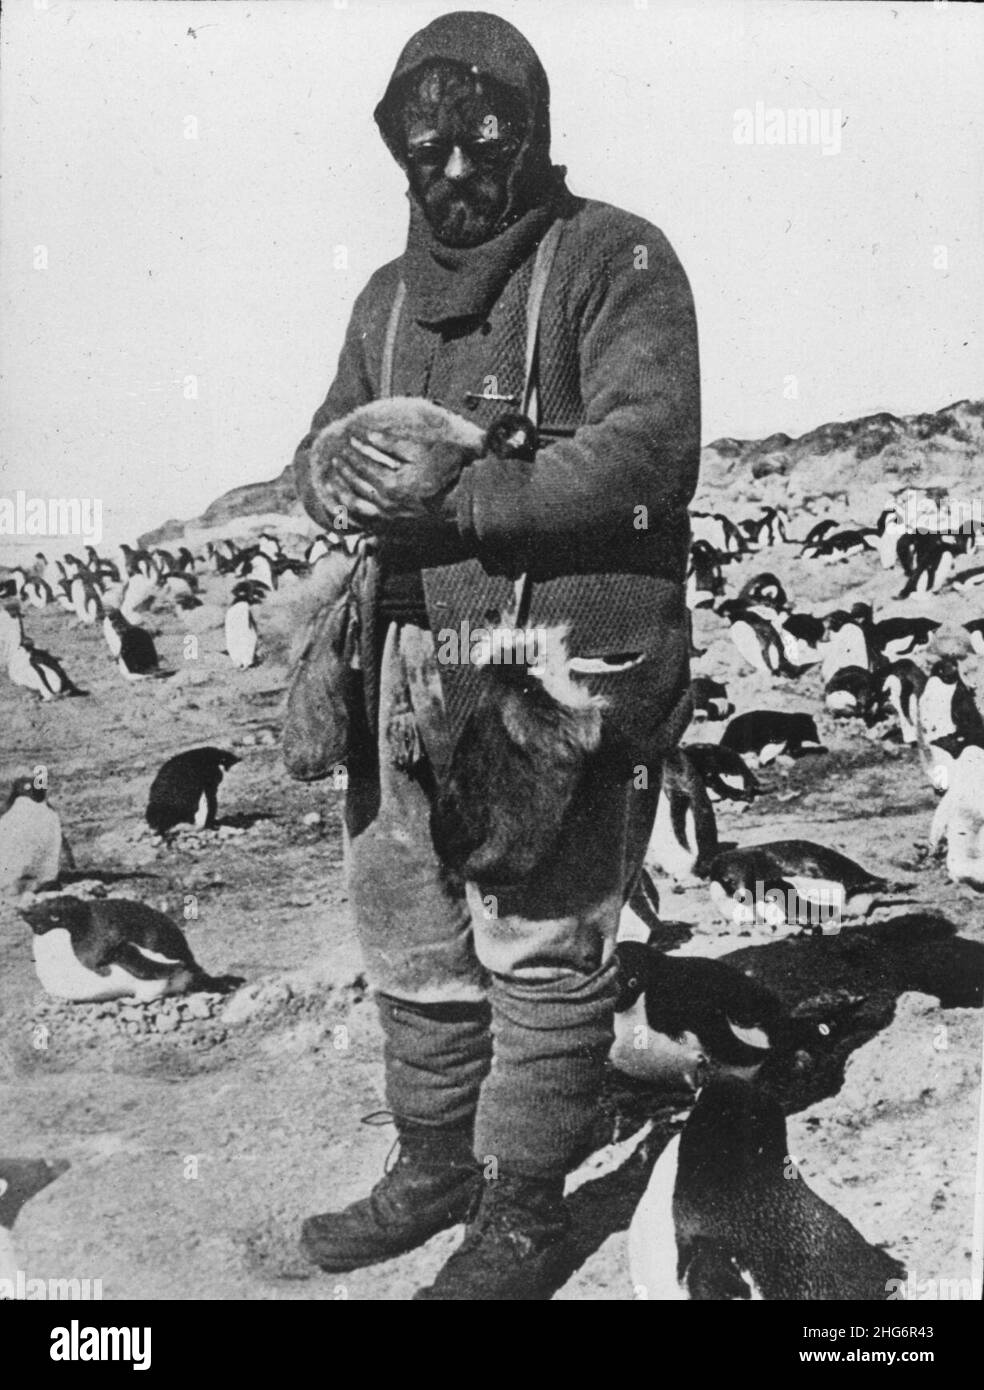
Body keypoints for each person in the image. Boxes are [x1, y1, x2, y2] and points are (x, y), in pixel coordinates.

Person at [293, 9, 700, 1300]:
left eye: (485, 142)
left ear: (531, 132)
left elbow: (650, 449)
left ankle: (526, 1204)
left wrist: (466, 494)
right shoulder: (387, 301)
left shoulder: (615, 260)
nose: (457, 172)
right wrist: (324, 474)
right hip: (407, 665)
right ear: (401, 155)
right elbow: (324, 444)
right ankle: (435, 1159)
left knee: (539, 941)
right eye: (429, 152)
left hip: (552, 667)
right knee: (410, 927)